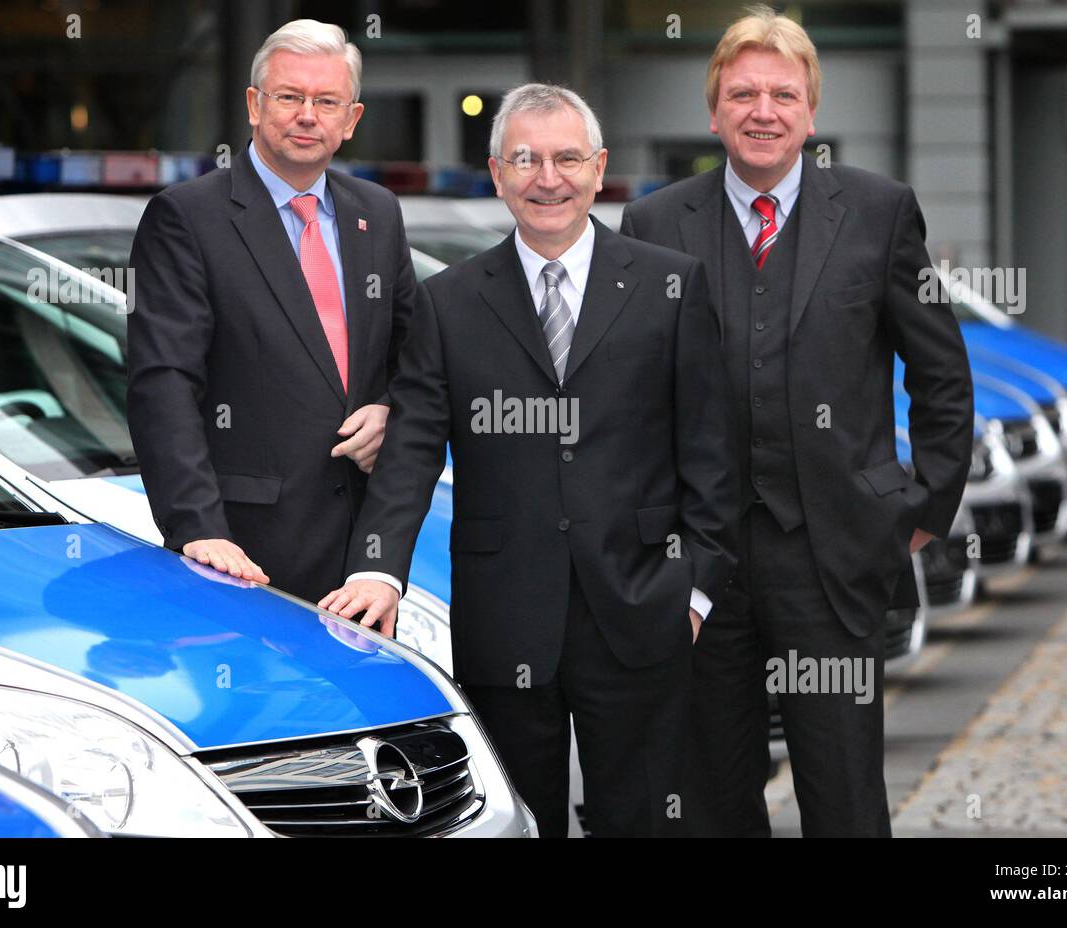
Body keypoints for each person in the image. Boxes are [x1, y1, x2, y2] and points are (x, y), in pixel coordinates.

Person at [319, 84, 739, 838]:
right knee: (518, 823)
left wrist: (698, 592)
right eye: (527, 159)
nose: (549, 177)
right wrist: (376, 568)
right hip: (506, 613)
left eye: (567, 158)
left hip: (644, 605)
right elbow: (412, 446)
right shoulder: (447, 301)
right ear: (498, 172)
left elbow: (712, 454)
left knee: (643, 817)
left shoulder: (669, 286)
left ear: (599, 166)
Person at [622, 4, 974, 837]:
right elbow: (630, 397)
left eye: (782, 94)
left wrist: (918, 510)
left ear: (811, 112)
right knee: (711, 799)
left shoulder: (879, 212)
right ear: (713, 112)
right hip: (701, 564)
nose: (763, 111)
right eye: (742, 94)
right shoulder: (656, 224)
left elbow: (942, 375)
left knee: (845, 798)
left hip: (831, 558)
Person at [127, 19, 420, 600]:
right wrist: (198, 528)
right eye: (289, 97)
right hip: (240, 553)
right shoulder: (187, 217)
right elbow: (163, 382)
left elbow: (415, 356)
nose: (307, 115)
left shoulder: (378, 212)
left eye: (327, 101)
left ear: (351, 119)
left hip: (363, 549)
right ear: (255, 106)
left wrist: (389, 408)